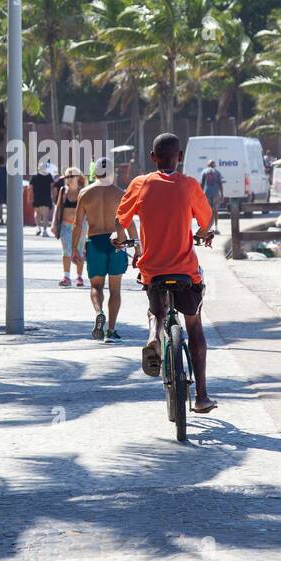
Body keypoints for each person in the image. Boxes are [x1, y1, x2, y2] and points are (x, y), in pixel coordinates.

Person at [116, 132, 217, 413]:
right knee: (194, 325)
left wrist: (120, 238)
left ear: (152, 158)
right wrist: (203, 234)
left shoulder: (140, 184)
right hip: (185, 271)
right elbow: (206, 220)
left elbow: (120, 218)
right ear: (180, 156)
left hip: (153, 269)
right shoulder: (189, 185)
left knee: (156, 309)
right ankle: (202, 396)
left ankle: (154, 335)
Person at [72, 157, 132, 342]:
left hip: (95, 242)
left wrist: (75, 249)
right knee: (115, 290)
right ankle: (111, 331)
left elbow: (77, 224)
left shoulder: (85, 193)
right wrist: (136, 245)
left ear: (95, 172)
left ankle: (99, 312)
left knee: (96, 286)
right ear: (112, 172)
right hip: (116, 242)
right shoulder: (121, 194)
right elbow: (127, 222)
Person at [52, 167, 87, 287]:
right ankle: (66, 277)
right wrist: (54, 224)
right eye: (67, 176)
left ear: (79, 177)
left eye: (72, 176)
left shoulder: (84, 191)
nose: (69, 179)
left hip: (81, 226)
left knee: (80, 250)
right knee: (66, 251)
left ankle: (79, 277)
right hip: (65, 225)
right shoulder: (63, 191)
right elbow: (58, 208)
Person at [198, 159, 224, 234]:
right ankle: (216, 228)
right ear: (214, 165)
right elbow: (220, 184)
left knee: (207, 211)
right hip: (216, 193)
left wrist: (199, 195)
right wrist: (222, 195)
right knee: (215, 211)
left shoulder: (204, 172)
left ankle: (208, 228)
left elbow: (201, 184)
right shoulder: (217, 172)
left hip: (206, 194)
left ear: (208, 165)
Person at [29, 166, 53, 236]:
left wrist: (30, 197)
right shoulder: (48, 176)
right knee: (45, 215)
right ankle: (44, 231)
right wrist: (52, 196)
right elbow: (52, 186)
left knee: (37, 212)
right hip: (46, 197)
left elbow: (30, 188)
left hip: (37, 197)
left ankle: (38, 227)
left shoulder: (34, 176)